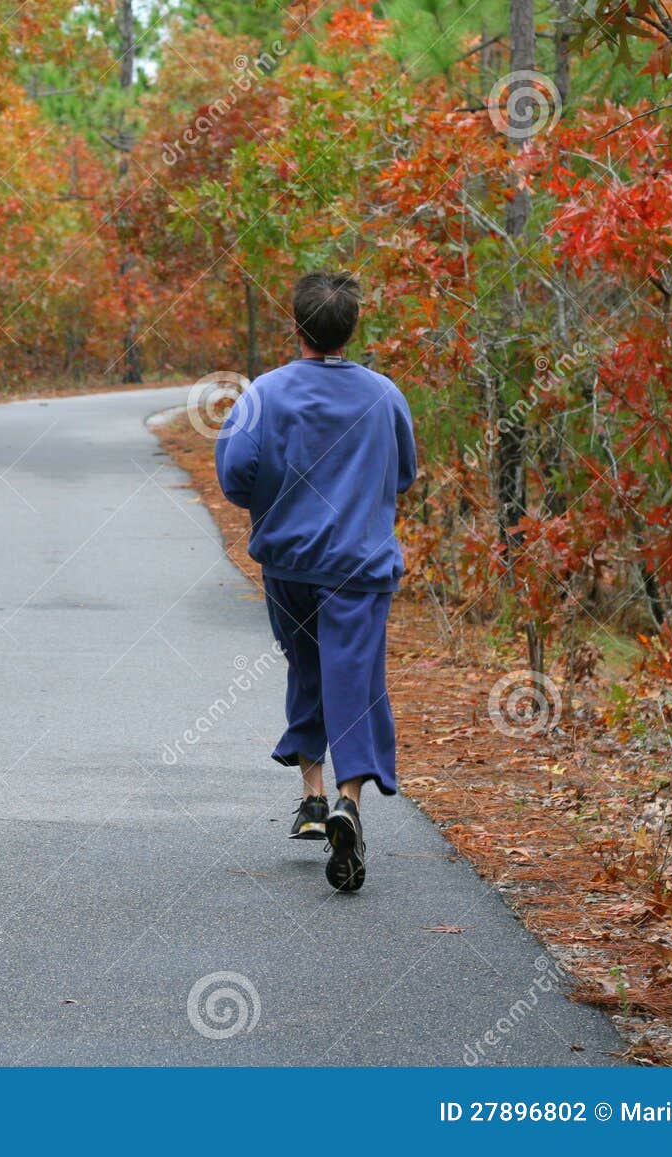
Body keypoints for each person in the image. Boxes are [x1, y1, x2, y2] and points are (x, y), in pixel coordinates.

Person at [214, 271, 416, 892]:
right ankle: (348, 802)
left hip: (291, 564)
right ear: (351, 328)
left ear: (296, 326)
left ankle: (311, 794)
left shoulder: (265, 395)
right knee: (351, 676)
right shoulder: (384, 396)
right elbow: (403, 472)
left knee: (307, 668)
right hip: (357, 567)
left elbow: (235, 473)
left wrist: (273, 505)